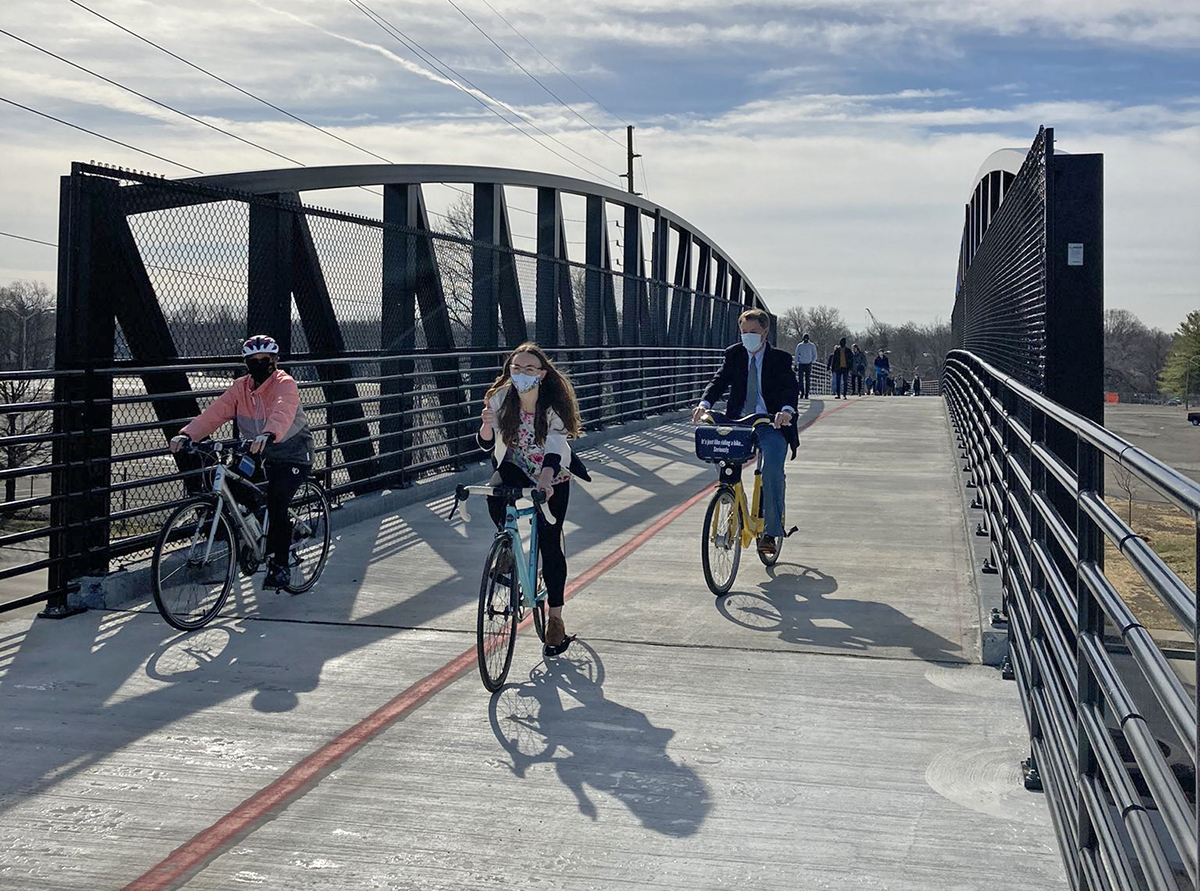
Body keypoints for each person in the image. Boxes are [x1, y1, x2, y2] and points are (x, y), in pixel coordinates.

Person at [170, 335, 314, 590]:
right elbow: (215, 413)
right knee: (233, 486)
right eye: (252, 361)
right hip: (257, 451)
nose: (258, 365)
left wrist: (269, 433)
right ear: (245, 363)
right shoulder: (240, 388)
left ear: (274, 361)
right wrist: (188, 434)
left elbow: (283, 409)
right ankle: (256, 533)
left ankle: (280, 565)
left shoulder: (285, 383)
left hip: (292, 453)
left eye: (264, 360)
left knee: (277, 502)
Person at [477, 343, 589, 658]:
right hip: (517, 466)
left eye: (529, 369)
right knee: (495, 491)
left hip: (553, 474)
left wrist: (545, 480)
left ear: (541, 374)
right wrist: (486, 425)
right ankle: (507, 546)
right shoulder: (501, 398)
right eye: (516, 368)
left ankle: (555, 619)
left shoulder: (554, 404)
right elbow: (487, 445)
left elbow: (555, 448)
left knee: (550, 543)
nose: (521, 374)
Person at [691, 309, 799, 559]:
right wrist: (704, 404)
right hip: (738, 422)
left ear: (765, 332)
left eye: (753, 332)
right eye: (744, 332)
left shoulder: (780, 359)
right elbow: (719, 381)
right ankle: (730, 499)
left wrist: (786, 411)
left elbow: (789, 387)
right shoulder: (734, 355)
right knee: (720, 456)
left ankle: (771, 531)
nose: (747, 337)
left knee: (772, 469)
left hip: (770, 423)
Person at [792, 333, 818, 400]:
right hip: (801, 364)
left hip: (808, 364)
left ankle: (807, 393)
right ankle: (802, 392)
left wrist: (812, 362)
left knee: (807, 379)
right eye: (805, 338)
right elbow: (796, 355)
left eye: (807, 338)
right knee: (800, 380)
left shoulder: (811, 345)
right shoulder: (800, 345)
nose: (806, 339)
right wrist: (795, 364)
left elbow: (815, 355)